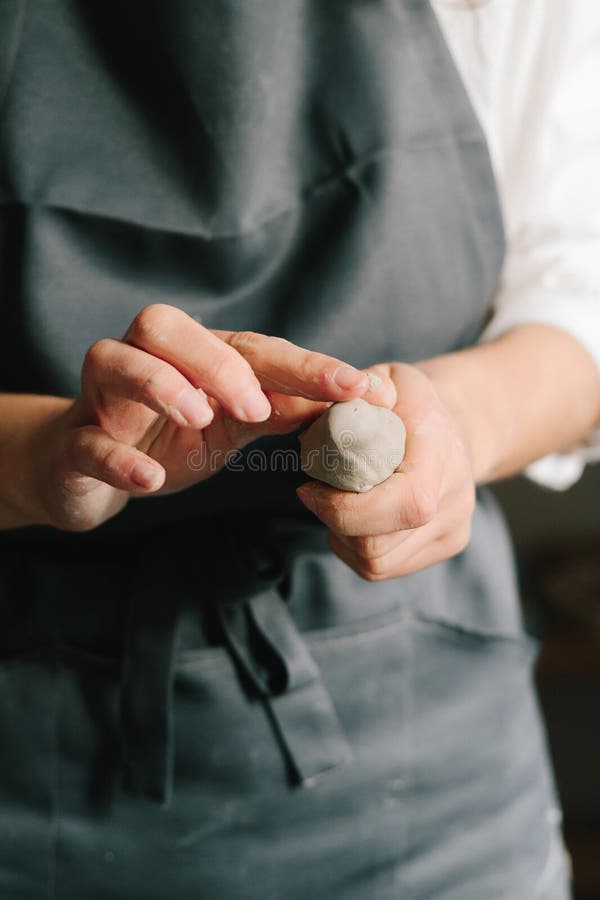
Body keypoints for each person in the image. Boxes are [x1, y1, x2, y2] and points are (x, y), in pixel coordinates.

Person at [0, 1, 599, 897]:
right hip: (37, 755)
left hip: (426, 754)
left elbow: (578, 297)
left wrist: (452, 428)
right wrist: (46, 458)